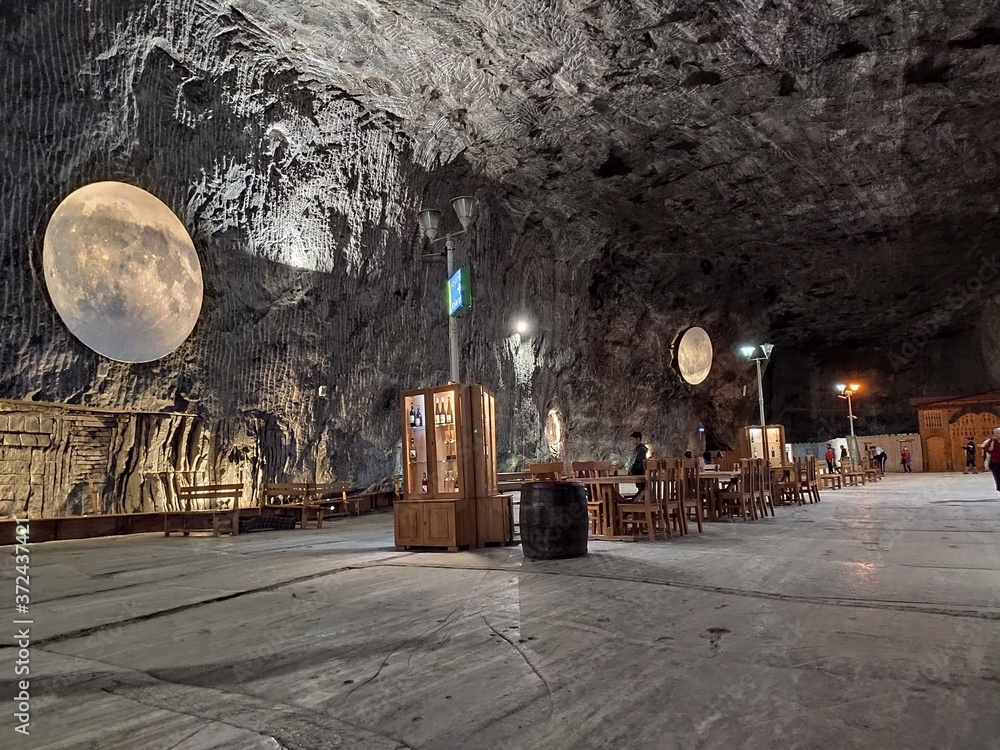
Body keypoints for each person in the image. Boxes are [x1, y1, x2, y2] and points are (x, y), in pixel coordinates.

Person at [981, 429, 1000, 495]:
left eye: (998, 433)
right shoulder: (991, 441)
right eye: (996, 433)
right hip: (995, 463)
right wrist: (990, 448)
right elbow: (986, 449)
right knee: (998, 478)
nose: (997, 435)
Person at [629, 431, 648, 496]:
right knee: (640, 489)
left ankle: (642, 499)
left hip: (640, 473)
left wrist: (634, 471)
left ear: (638, 439)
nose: (632, 441)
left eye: (633, 439)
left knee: (641, 489)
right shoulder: (638, 449)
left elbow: (641, 463)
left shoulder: (641, 449)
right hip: (638, 472)